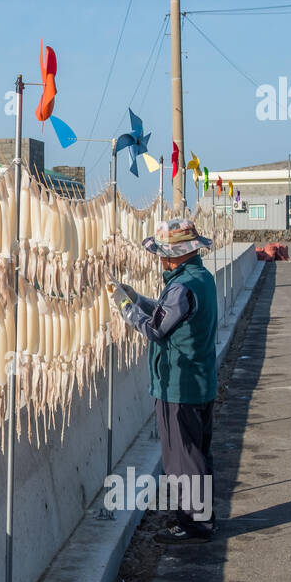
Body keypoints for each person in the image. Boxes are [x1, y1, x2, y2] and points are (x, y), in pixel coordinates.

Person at [109, 217, 218, 545]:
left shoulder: (182, 286)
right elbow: (169, 314)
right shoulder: (201, 278)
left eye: (162, 253)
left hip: (180, 386)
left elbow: (156, 329)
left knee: (183, 457)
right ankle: (199, 518)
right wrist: (139, 299)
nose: (158, 259)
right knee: (196, 454)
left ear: (176, 255)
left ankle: (195, 525)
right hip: (200, 381)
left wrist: (127, 309)